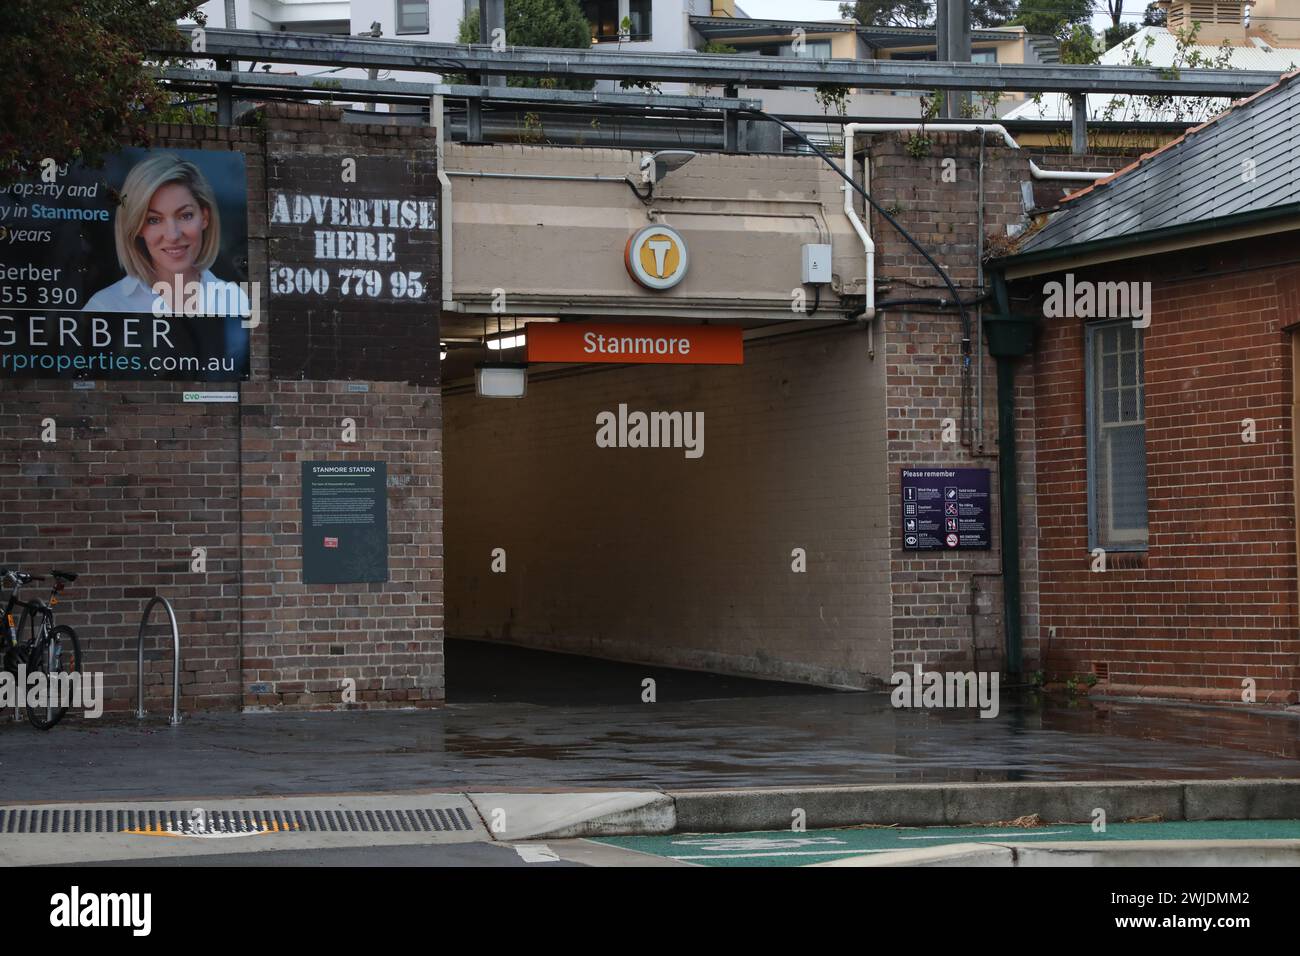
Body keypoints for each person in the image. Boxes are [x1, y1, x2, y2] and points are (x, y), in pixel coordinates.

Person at [83, 153, 250, 317]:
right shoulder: (106, 305)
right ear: (137, 227)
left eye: (186, 215)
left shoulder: (234, 299)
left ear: (205, 217)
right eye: (154, 220)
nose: (173, 235)